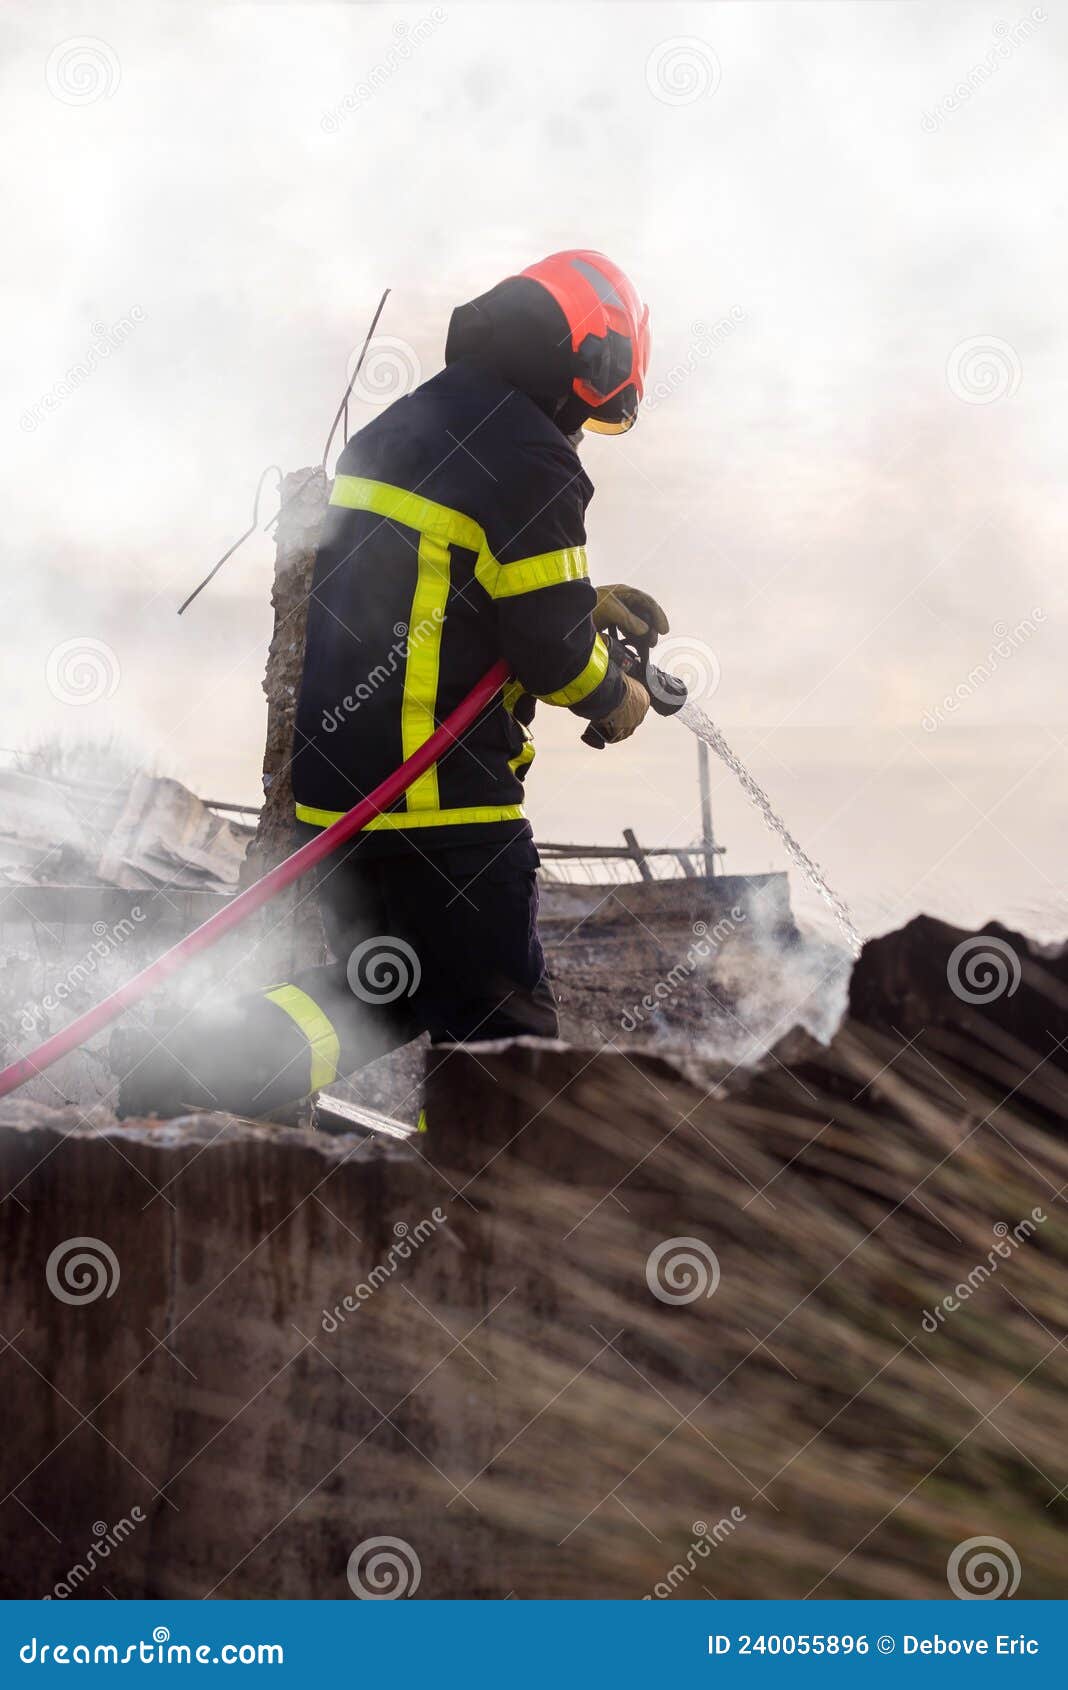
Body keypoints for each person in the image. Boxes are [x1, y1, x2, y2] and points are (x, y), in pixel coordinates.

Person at [115, 251, 669, 1119]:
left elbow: (449, 584)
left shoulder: (403, 427)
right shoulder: (532, 455)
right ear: (582, 365)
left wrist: (578, 599)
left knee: (383, 993)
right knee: (505, 1031)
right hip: (445, 810)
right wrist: (617, 697)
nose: (580, 429)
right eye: (591, 410)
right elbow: (552, 651)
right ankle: (486, 1214)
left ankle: (186, 1065)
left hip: (345, 804)